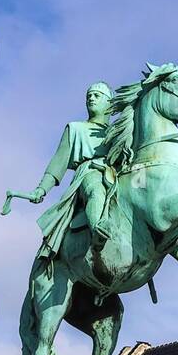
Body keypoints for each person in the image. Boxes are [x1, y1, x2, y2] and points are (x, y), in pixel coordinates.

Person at [30, 81, 116, 257]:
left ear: (109, 102)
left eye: (97, 95)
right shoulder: (75, 128)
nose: (91, 98)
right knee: (96, 190)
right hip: (89, 172)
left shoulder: (116, 132)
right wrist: (41, 189)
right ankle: (98, 232)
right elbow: (57, 163)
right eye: (89, 96)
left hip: (114, 175)